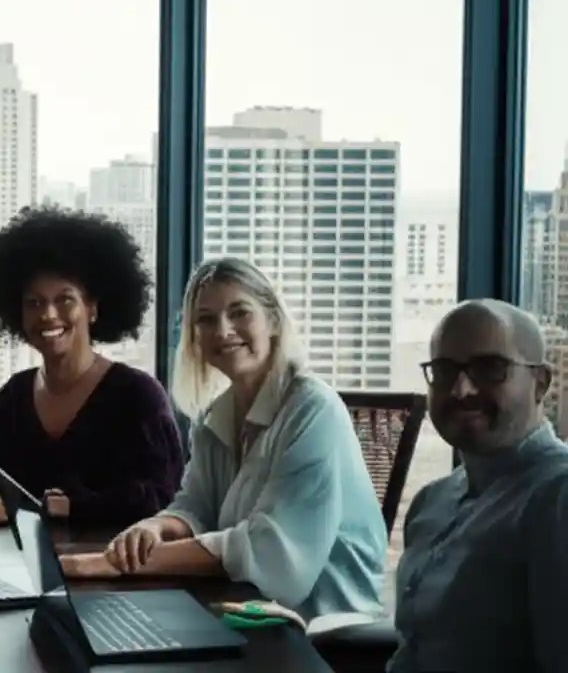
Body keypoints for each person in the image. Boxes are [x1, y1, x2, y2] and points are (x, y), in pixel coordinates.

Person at [71, 257, 385, 622]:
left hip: (321, 624)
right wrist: (155, 527)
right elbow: (197, 507)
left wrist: (118, 563)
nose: (222, 331)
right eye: (205, 320)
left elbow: (274, 554)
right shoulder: (214, 416)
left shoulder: (313, 409)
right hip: (243, 606)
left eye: (239, 313)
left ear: (273, 321)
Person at [0, 205, 184, 527]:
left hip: (114, 570)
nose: (48, 315)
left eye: (65, 299)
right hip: (28, 569)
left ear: (92, 308)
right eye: (34, 302)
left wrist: (32, 508)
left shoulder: (136, 395)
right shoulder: (17, 395)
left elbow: (159, 497)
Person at [388, 299, 568, 672]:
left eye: (490, 368)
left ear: (540, 383)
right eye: (444, 370)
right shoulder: (431, 503)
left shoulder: (557, 498)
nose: (462, 390)